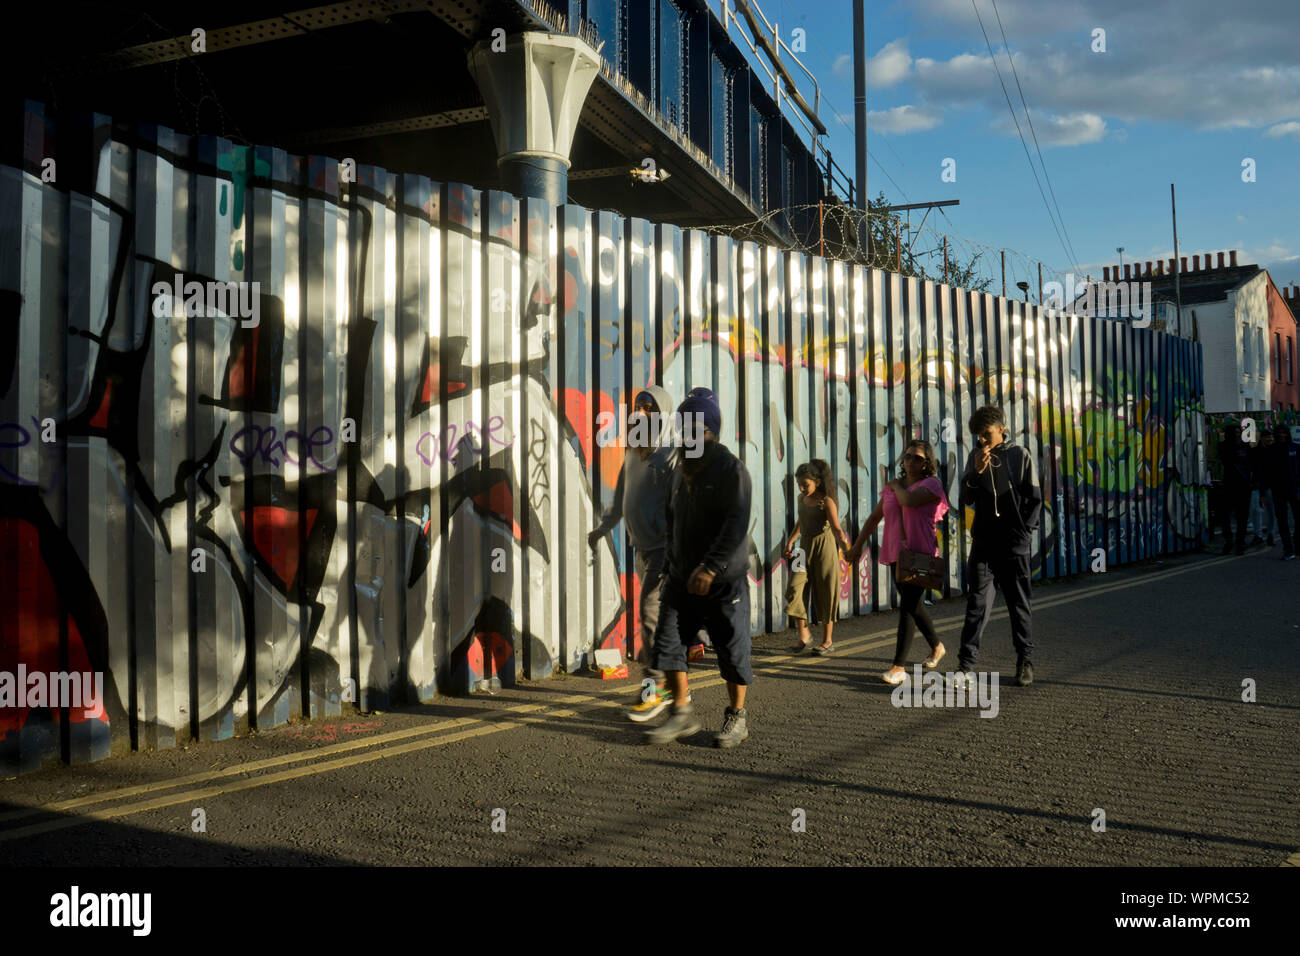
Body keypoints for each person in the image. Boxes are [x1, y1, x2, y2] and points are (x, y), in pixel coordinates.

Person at [644, 389, 754, 748]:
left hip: (723, 581)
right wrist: (669, 564)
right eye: (683, 426)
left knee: (731, 652)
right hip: (680, 577)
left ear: (711, 431)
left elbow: (736, 524)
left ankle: (736, 718)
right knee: (669, 643)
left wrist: (711, 566)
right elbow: (672, 520)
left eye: (695, 428)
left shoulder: (731, 469)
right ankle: (681, 713)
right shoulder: (680, 470)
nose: (687, 434)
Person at [588, 386, 681, 722]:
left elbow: (682, 505)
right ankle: (672, 686)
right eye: (639, 406)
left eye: (650, 407)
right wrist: (602, 528)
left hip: (665, 552)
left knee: (650, 617)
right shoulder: (632, 452)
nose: (642, 411)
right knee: (662, 622)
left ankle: (652, 689)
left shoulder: (672, 453)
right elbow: (620, 499)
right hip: (642, 551)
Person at [951, 406, 1042, 688]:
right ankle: (965, 666)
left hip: (1014, 544)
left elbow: (1034, 497)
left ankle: (1024, 661)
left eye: (986, 434)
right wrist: (975, 473)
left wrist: (1024, 531)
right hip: (984, 545)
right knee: (977, 605)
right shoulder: (974, 457)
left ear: (1001, 429)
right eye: (978, 436)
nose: (982, 440)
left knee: (1019, 605)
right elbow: (965, 498)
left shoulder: (1018, 455)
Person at [847, 439, 949, 684]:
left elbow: (909, 501)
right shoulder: (893, 489)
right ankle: (937, 646)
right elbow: (874, 519)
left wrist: (894, 484)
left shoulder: (931, 484)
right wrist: (857, 546)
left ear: (927, 463)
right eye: (909, 456)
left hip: (921, 553)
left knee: (908, 607)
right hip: (896, 554)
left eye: (918, 458)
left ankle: (898, 667)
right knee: (913, 604)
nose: (912, 461)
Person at [783, 459, 850, 655]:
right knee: (794, 589)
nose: (802, 488)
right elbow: (801, 521)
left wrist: (847, 550)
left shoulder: (826, 501)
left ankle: (827, 641)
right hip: (803, 548)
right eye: (799, 484)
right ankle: (804, 634)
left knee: (826, 593)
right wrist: (790, 540)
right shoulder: (800, 499)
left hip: (824, 548)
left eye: (806, 484)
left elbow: (837, 529)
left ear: (817, 482)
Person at [1260, 424, 1300, 560]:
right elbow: (1264, 473)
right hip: (1278, 491)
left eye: (1284, 432)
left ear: (1288, 434)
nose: (1282, 435)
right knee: (1282, 521)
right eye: (1279, 433)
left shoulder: (1295, 448)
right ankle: (1288, 550)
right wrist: (1262, 493)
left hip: (1295, 489)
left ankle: (1297, 547)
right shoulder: (1270, 450)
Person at [1218, 423, 1251, 555]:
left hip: (1243, 486)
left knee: (1242, 517)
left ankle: (1239, 543)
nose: (1237, 435)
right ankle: (1229, 540)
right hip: (1229, 485)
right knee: (1225, 516)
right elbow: (1224, 460)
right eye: (1235, 433)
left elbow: (1250, 464)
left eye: (1239, 432)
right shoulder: (1224, 446)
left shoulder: (1245, 446)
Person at [1249, 431, 1277, 547]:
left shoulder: (1276, 451)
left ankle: (1271, 534)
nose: (1269, 439)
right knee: (1256, 510)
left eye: (1271, 437)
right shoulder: (1255, 452)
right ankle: (1258, 535)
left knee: (1272, 512)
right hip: (1257, 484)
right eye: (1267, 437)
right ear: (1262, 438)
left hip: (1271, 485)